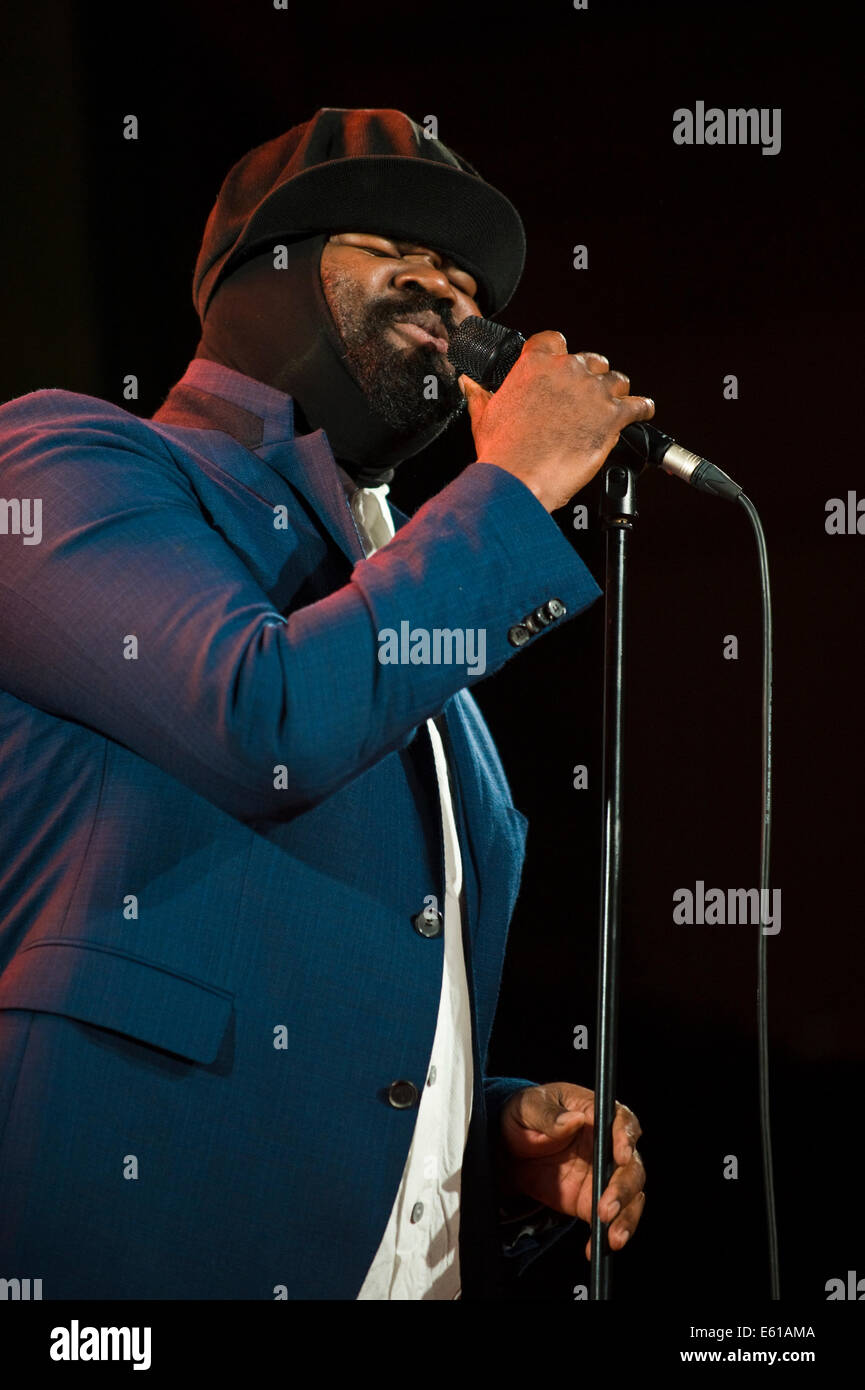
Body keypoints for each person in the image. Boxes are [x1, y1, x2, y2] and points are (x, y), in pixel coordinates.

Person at [0, 107, 650, 1300]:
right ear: (265, 272)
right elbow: (267, 719)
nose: (447, 290)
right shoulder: (62, 464)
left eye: (464, 275)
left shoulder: (411, 622)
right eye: (390, 245)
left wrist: (479, 1131)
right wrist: (508, 492)